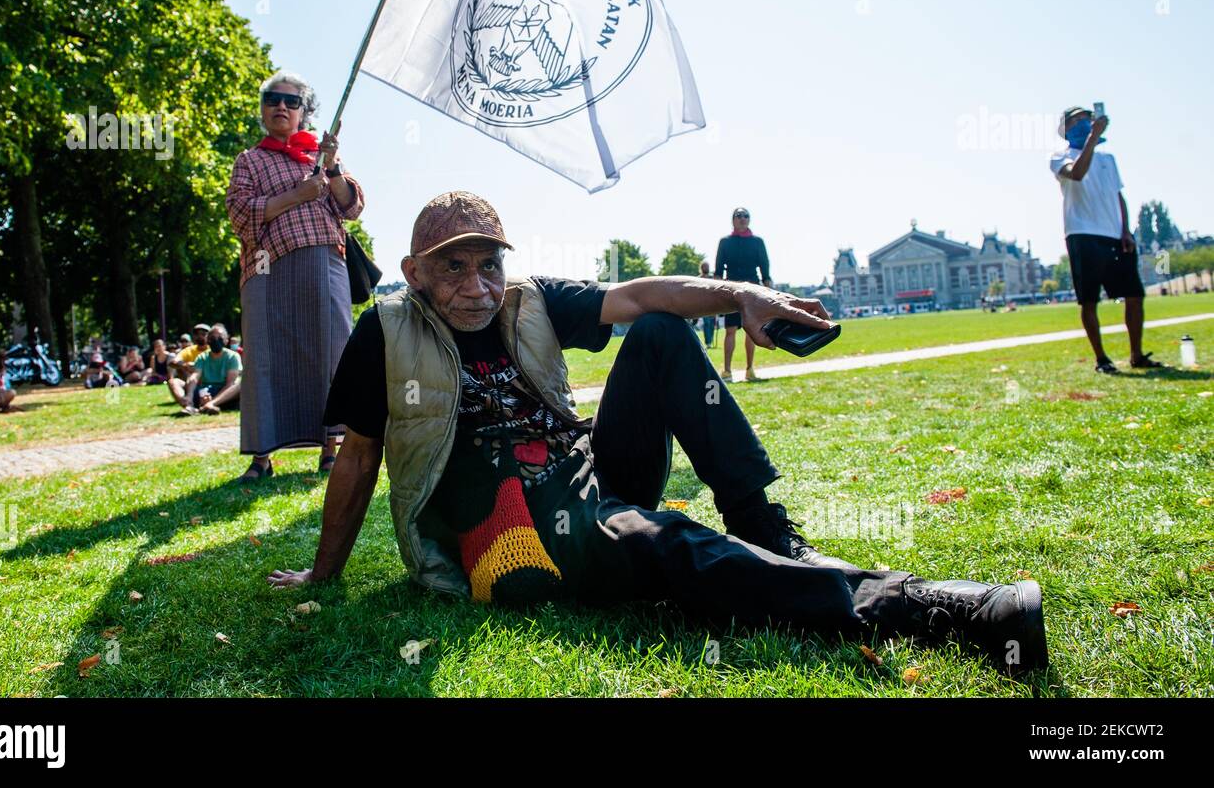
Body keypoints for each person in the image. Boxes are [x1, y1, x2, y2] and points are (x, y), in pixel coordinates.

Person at [268, 191, 1048, 677]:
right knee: (674, 546)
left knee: (665, 333)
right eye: (452, 269)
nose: (475, 286)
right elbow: (361, 455)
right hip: (509, 527)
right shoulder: (386, 330)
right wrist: (322, 573)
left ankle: (768, 530)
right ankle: (945, 611)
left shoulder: (527, 301)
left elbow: (641, 293)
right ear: (413, 269)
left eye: (487, 265)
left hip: (586, 477)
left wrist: (741, 292)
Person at [225, 70, 365, 481]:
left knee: (330, 352)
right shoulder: (249, 160)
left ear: (304, 112)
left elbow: (352, 207)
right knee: (266, 356)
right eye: (272, 99)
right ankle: (262, 457)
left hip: (324, 261)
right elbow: (239, 214)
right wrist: (296, 195)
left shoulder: (320, 158)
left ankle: (329, 448)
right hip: (266, 268)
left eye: (291, 101)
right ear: (263, 109)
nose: (281, 107)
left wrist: (333, 167)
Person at [1050, 106, 1162, 373]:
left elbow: (1117, 196)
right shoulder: (1059, 156)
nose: (1086, 124)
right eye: (1078, 121)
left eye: (1088, 120)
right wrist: (1091, 140)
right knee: (1089, 300)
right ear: (1066, 129)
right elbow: (1077, 174)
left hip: (1114, 236)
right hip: (1082, 234)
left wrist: (1125, 231)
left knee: (1134, 295)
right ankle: (1102, 359)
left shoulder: (1108, 159)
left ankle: (1136, 355)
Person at [714, 206, 772, 381]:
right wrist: (715, 295)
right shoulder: (725, 242)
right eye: (738, 216)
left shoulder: (757, 242)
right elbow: (717, 270)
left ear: (749, 219)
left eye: (746, 216)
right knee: (730, 330)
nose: (742, 218)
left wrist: (768, 290)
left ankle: (749, 369)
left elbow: (765, 268)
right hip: (731, 289)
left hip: (753, 289)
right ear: (733, 220)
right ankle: (727, 371)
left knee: (751, 330)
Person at [184, 323, 242, 415]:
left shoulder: (233, 356)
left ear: (226, 340)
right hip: (205, 390)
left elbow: (230, 384)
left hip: (224, 391)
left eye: (219, 337)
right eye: (212, 337)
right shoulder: (202, 357)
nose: (215, 340)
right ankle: (189, 404)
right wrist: (190, 395)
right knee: (174, 382)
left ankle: (209, 405)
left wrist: (213, 401)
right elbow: (195, 376)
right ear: (208, 340)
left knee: (240, 384)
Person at [165, 324, 209, 408]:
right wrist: (185, 365)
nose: (200, 336)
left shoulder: (212, 350)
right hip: (189, 382)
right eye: (197, 334)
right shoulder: (188, 350)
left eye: (203, 334)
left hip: (207, 383)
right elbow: (173, 362)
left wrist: (197, 368)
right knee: (173, 382)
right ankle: (186, 404)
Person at [698, 259, 718, 348]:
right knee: (706, 323)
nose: (706, 268)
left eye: (708, 266)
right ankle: (708, 342)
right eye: (705, 266)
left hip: (713, 305)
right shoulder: (698, 279)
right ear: (702, 268)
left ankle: (710, 340)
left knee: (712, 324)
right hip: (702, 305)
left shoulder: (712, 278)